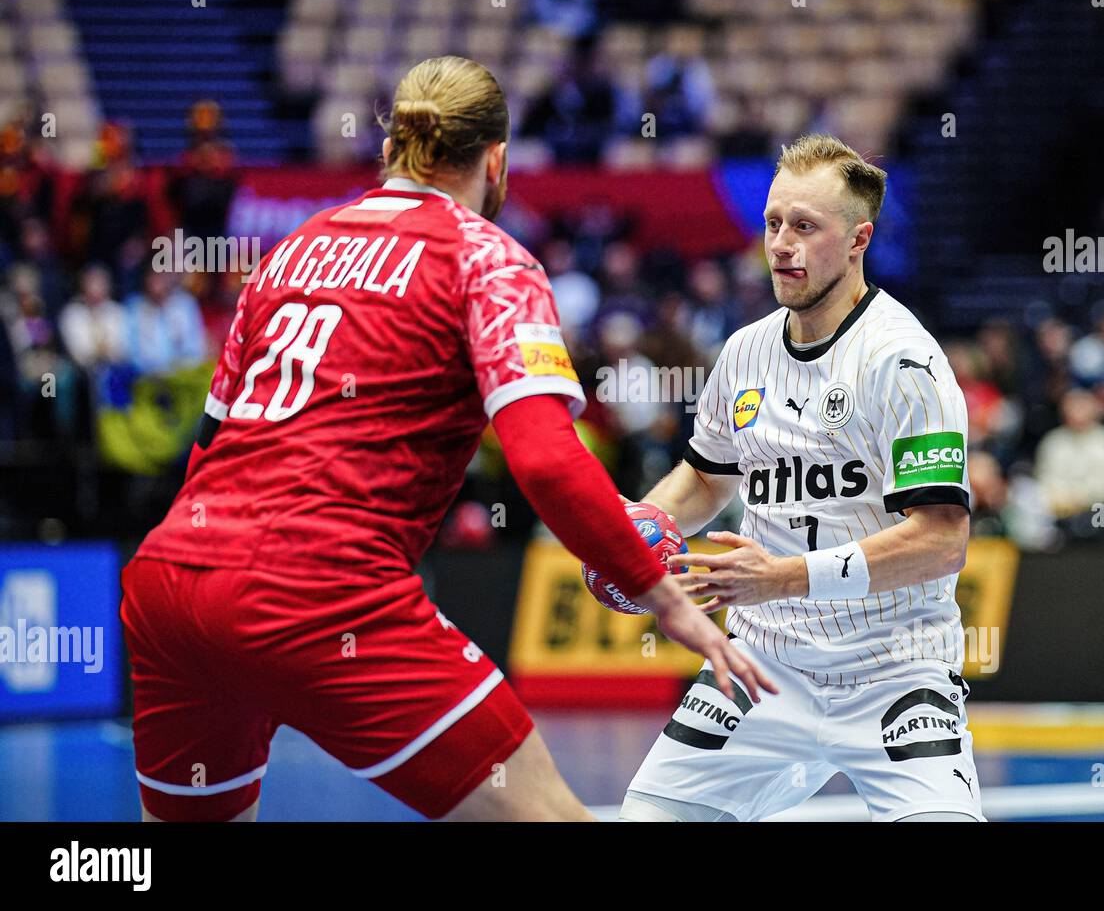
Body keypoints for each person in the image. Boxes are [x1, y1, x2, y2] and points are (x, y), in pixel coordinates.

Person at [120, 56, 772, 823]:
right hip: (323, 588)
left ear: (394, 146)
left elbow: (207, 447)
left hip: (171, 583)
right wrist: (663, 596)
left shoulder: (291, 253)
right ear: (497, 160)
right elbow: (544, 460)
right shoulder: (486, 258)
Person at [619, 135, 982, 822]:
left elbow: (941, 542)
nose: (782, 244)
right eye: (773, 223)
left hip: (894, 671)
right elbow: (705, 478)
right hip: (764, 667)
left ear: (857, 241)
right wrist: (633, 530)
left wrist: (783, 576)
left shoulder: (904, 362)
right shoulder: (744, 350)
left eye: (805, 227)